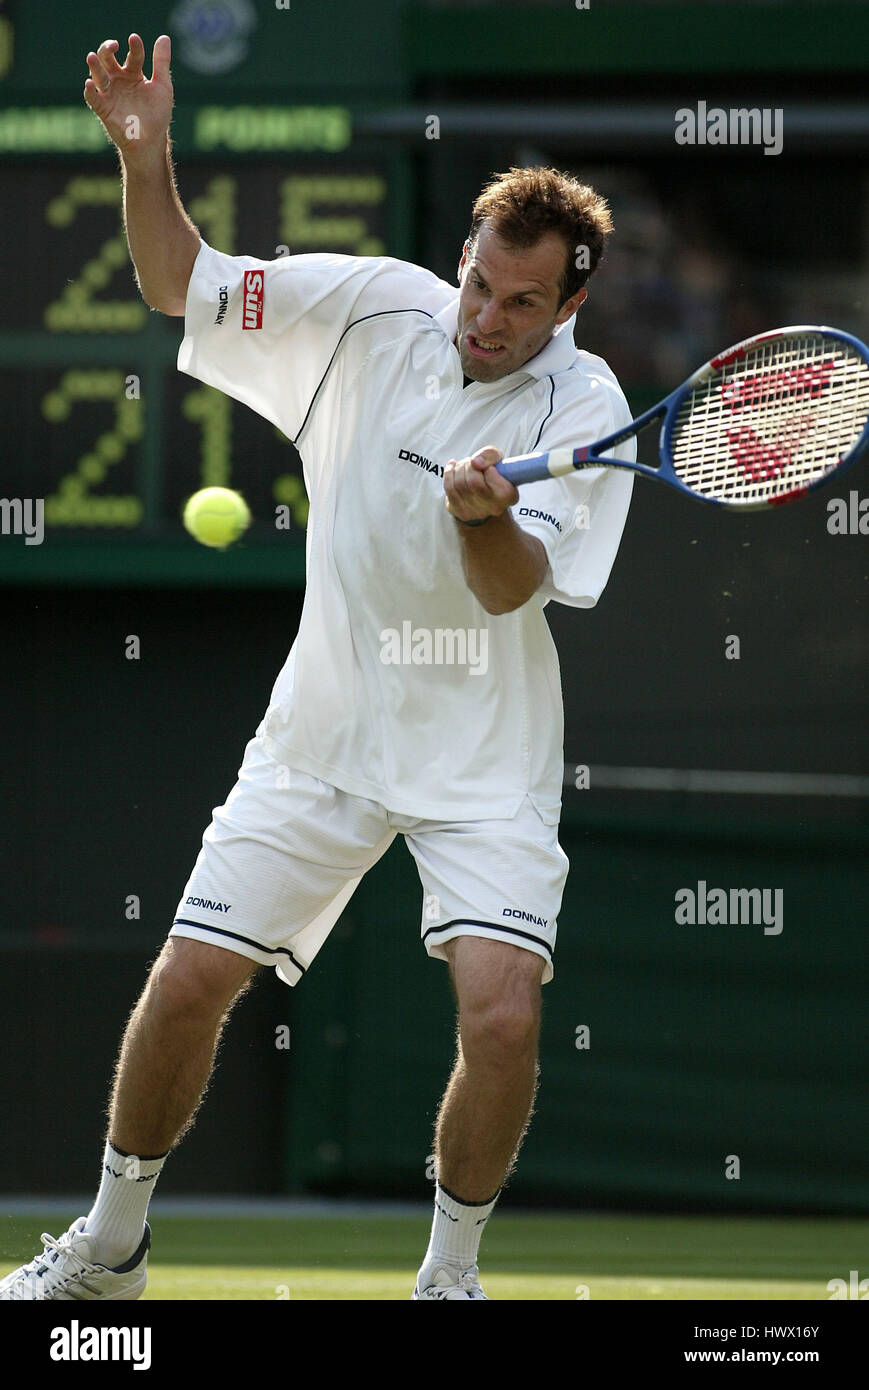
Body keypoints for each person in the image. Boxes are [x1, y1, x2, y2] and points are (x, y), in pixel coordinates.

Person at [1, 34, 635, 1302]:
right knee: (187, 982)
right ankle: (110, 1247)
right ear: (458, 264)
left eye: (521, 304)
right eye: (475, 286)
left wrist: (482, 518)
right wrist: (144, 154)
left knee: (502, 1015)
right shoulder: (368, 307)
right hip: (323, 736)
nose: (484, 320)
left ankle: (447, 1274)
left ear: (567, 306)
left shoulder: (586, 409)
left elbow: (516, 589)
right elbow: (175, 276)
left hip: (481, 763)